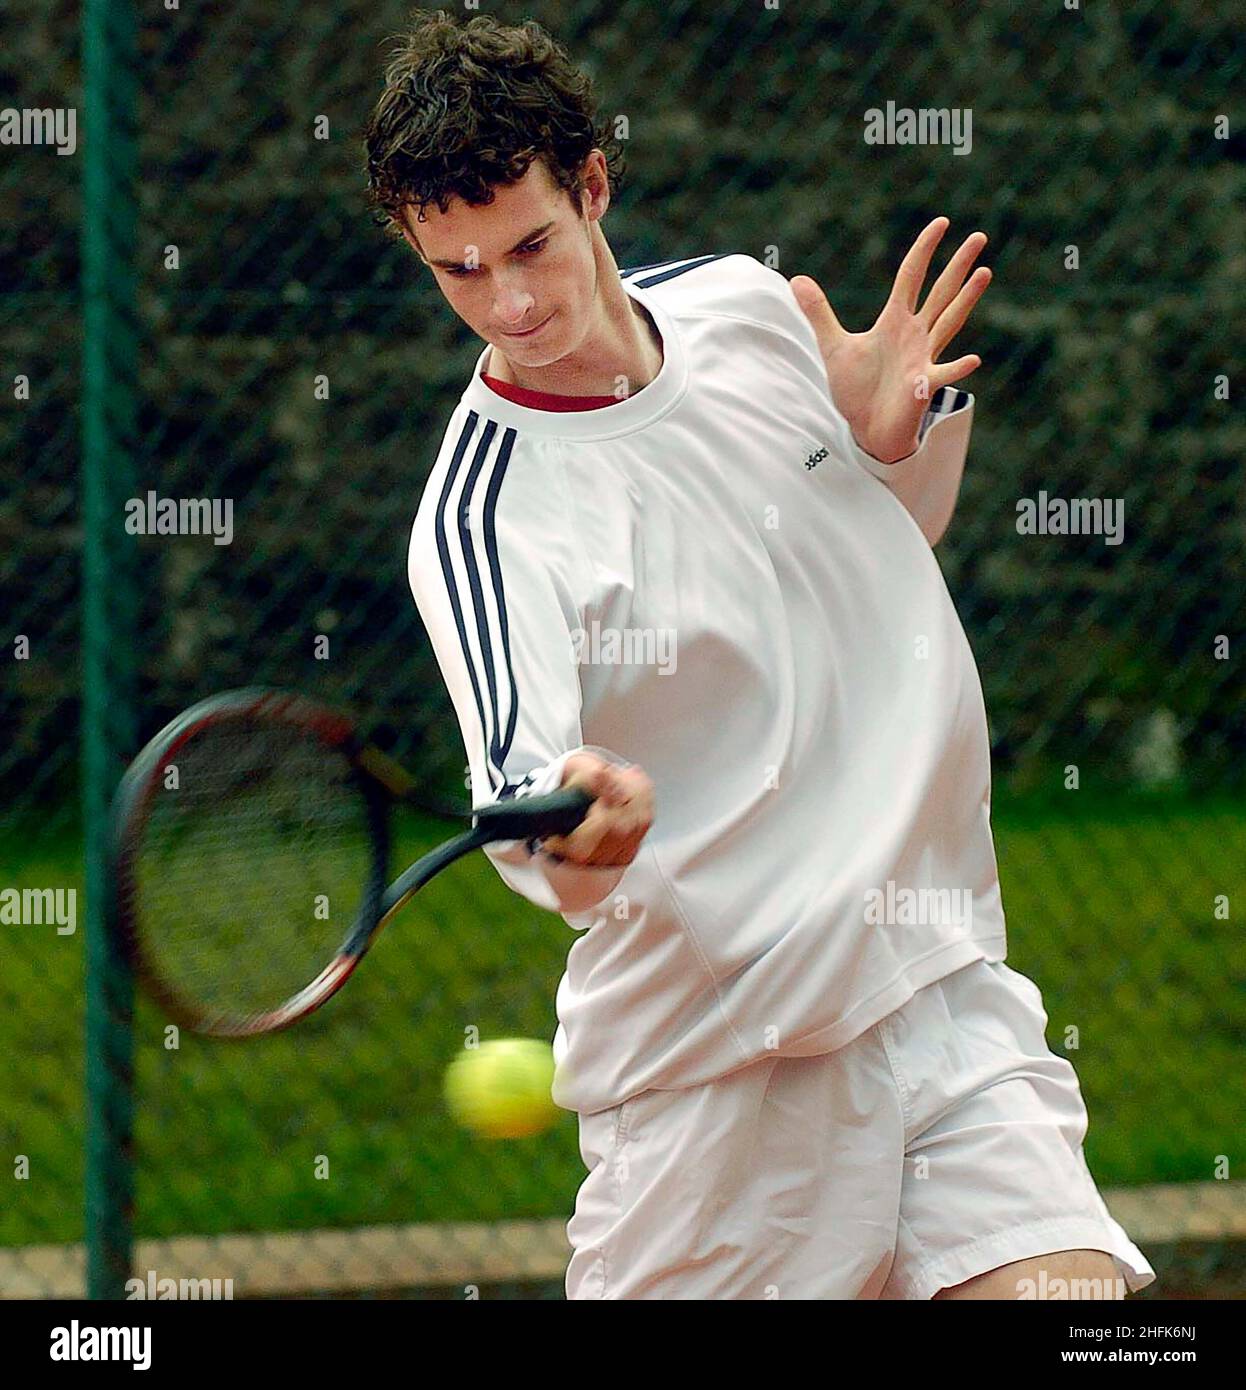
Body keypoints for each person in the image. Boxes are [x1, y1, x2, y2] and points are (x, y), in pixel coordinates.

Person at [364, 10, 1155, 1300]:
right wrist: (583, 832)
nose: (508, 303)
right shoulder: (481, 520)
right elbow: (526, 804)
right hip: (722, 1082)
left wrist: (892, 437)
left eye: (530, 245)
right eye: (458, 271)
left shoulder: (742, 307)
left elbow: (884, 544)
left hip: (941, 987)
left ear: (594, 185)